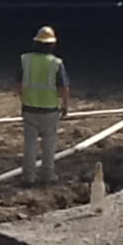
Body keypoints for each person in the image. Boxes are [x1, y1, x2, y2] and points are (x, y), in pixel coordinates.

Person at [15, 25, 71, 186]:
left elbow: (18, 85)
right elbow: (63, 88)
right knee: (49, 143)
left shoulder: (25, 60)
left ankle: (28, 177)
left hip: (29, 108)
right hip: (49, 110)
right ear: (52, 45)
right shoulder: (56, 63)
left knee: (30, 144)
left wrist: (24, 100)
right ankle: (48, 174)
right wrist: (65, 105)